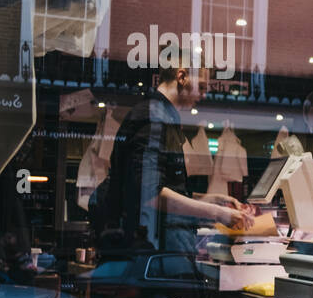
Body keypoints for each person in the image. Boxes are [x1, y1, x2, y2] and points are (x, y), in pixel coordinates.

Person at [95, 64, 250, 253]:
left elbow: (163, 188)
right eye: (201, 87)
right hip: (147, 251)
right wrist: (218, 213)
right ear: (182, 76)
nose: (203, 95)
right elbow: (151, 194)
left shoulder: (162, 117)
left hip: (153, 246)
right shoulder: (154, 117)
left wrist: (211, 199)